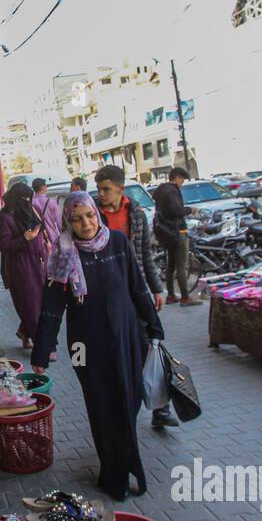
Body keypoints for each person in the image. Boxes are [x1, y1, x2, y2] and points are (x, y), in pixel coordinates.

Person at [32, 192, 164, 501]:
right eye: (77, 219)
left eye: (89, 216)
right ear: (68, 221)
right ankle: (116, 473)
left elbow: (137, 287)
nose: (86, 223)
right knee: (103, 406)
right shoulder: (62, 255)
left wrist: (154, 323)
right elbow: (51, 308)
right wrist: (42, 352)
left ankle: (125, 463)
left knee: (128, 403)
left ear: (96, 214)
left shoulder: (118, 243)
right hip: (85, 347)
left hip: (126, 339)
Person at [94, 164, 176, 429]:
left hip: (136, 292)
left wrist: (157, 289)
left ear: (120, 188)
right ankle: (120, 411)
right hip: (106, 296)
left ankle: (160, 408)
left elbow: (145, 255)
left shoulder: (137, 214)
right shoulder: (92, 215)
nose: (102, 194)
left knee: (150, 349)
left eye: (106, 189)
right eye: (99, 189)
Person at [0, 182, 49, 349]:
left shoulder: (32, 210)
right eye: (23, 198)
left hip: (39, 263)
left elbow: (42, 230)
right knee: (31, 305)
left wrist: (45, 244)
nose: (27, 201)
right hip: (20, 267)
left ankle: (25, 332)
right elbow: (4, 246)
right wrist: (24, 238)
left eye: (29, 198)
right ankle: (44, 345)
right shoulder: (5, 218)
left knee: (42, 304)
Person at [152, 167, 200, 306]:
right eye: (182, 180)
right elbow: (175, 210)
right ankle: (185, 297)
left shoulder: (160, 191)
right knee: (181, 265)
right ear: (177, 177)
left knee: (171, 264)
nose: (182, 183)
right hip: (177, 231)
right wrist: (189, 209)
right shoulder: (172, 190)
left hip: (166, 233)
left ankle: (171, 295)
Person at [31, 178, 62, 254]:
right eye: (46, 186)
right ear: (43, 187)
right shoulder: (51, 202)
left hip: (36, 240)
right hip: (52, 239)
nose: (46, 187)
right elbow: (59, 223)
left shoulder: (30, 203)